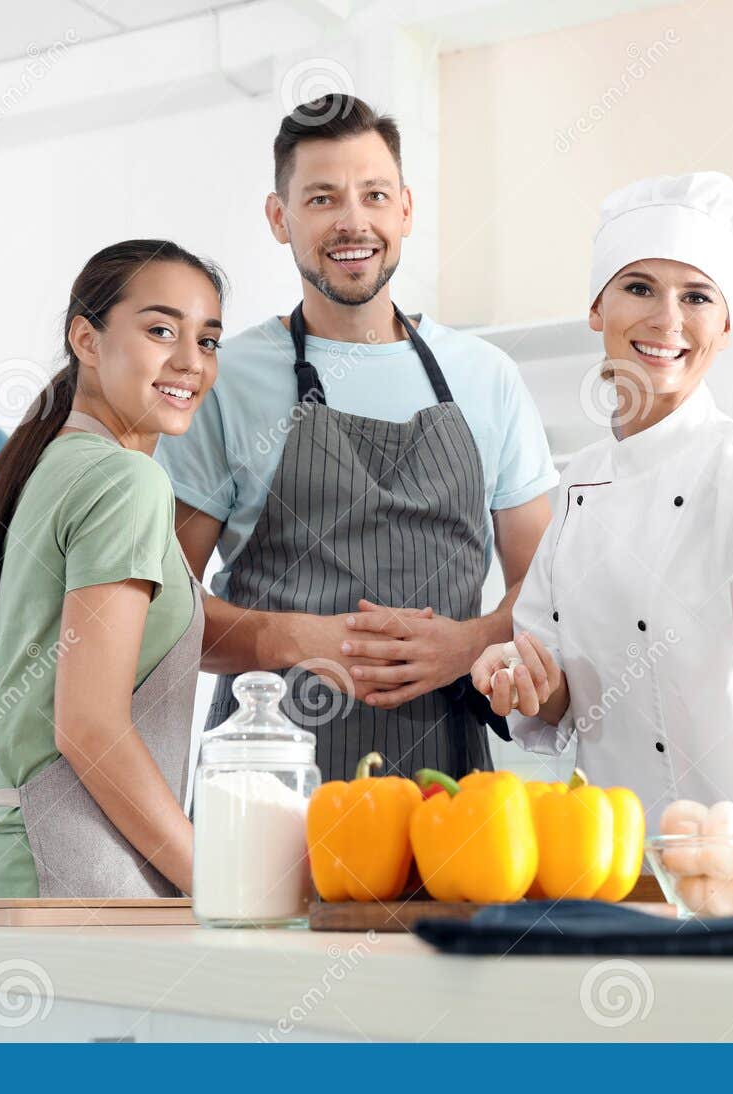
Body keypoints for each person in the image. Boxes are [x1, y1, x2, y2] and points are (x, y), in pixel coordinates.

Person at [156, 95, 556, 782]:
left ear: (404, 209)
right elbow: (161, 607)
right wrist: (287, 635)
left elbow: (548, 588)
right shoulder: (225, 379)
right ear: (280, 219)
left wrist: (468, 643)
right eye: (322, 198)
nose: (353, 221)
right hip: (267, 786)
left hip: (451, 789)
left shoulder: (485, 377)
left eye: (373, 195)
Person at [469, 172, 733, 831]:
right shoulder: (578, 487)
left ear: (727, 325)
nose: (667, 320)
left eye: (697, 297)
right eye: (639, 287)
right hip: (613, 861)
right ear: (597, 308)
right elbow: (554, 682)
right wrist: (523, 680)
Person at [0, 239, 226, 898]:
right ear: (86, 339)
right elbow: (90, 724)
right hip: (66, 877)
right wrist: (222, 885)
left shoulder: (53, 465)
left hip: (2, 866)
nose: (190, 362)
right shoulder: (127, 480)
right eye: (160, 330)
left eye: (208, 341)